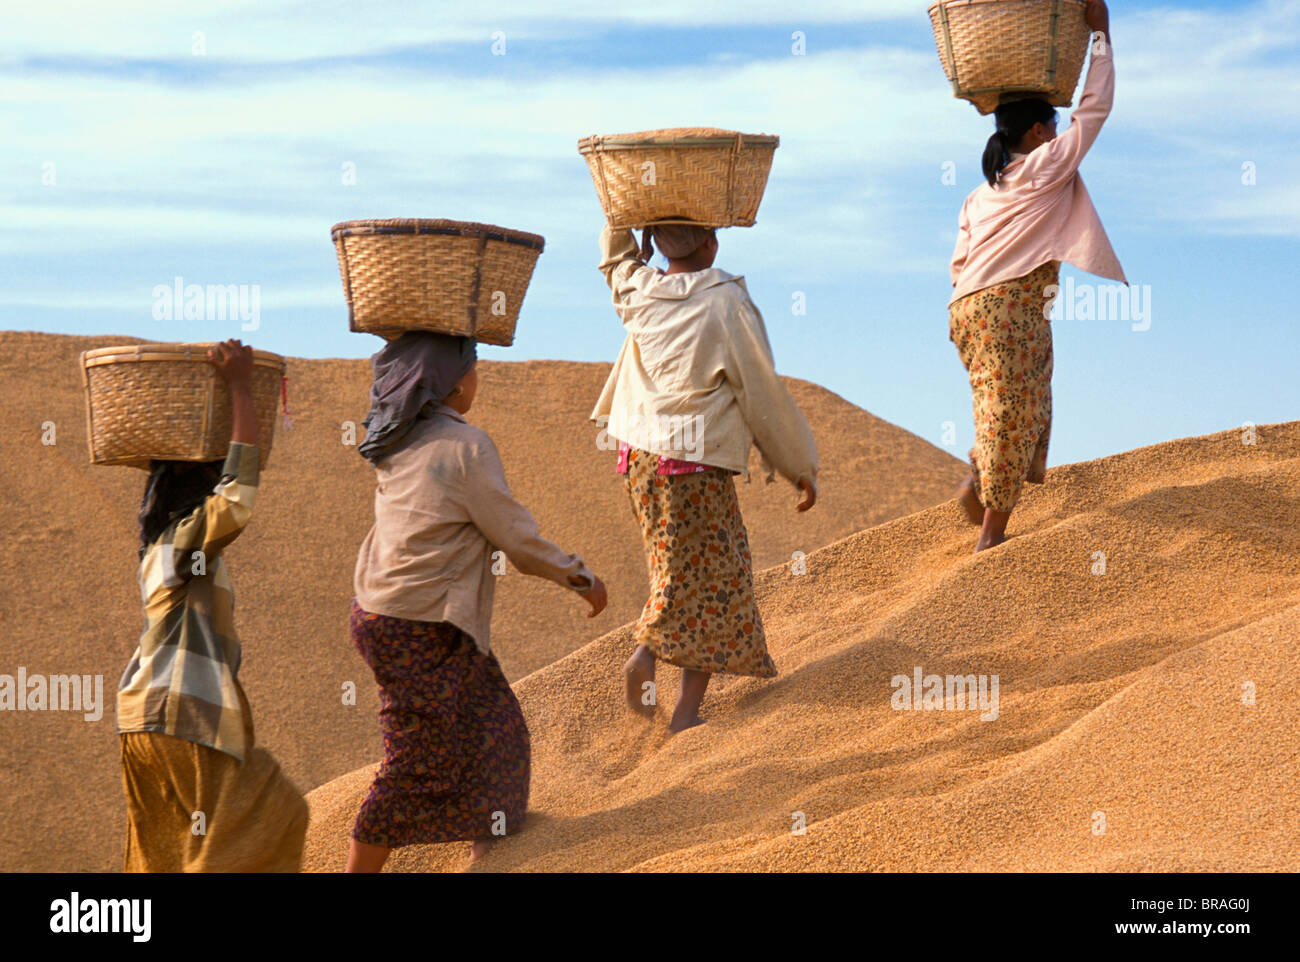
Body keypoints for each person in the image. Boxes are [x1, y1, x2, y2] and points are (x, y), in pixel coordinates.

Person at [348, 331, 607, 872]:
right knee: (416, 758)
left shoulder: (396, 441)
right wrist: (577, 576)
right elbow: (514, 536)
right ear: (454, 381)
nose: (476, 378)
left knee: (497, 731)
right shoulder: (467, 447)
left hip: (392, 613)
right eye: (473, 367)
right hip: (419, 622)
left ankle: (492, 853)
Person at [592, 220, 818, 733]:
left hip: (640, 461)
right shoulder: (725, 303)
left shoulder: (639, 289)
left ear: (656, 243)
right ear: (712, 241)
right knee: (718, 577)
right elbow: (760, 390)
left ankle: (680, 700)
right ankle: (659, 672)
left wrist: (620, 218)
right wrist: (798, 465)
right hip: (693, 464)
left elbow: (616, 263)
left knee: (675, 567)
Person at [117, 338, 308, 872]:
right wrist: (241, 388)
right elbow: (238, 496)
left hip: (142, 720)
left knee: (167, 854)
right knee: (274, 812)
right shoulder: (183, 544)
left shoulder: (163, 550)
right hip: (182, 712)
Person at [949, 0, 1124, 551]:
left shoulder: (982, 194)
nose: (1059, 127)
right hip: (1009, 305)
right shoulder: (1047, 166)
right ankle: (990, 536)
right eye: (1051, 121)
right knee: (1013, 407)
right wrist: (1101, 36)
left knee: (1018, 400)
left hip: (968, 309)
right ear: (1034, 132)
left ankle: (981, 478)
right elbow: (1094, 111)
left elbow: (959, 261)